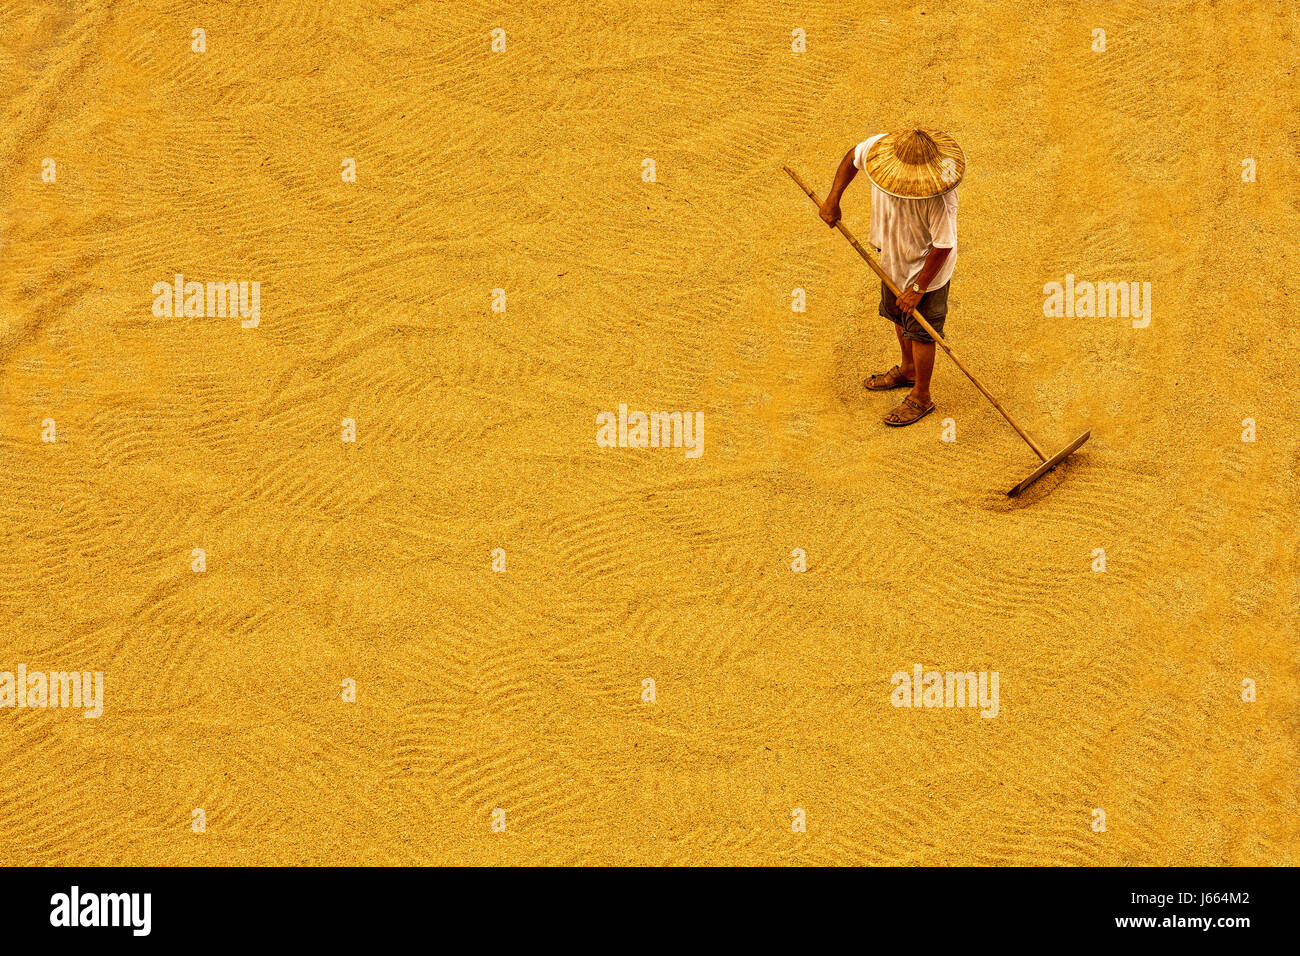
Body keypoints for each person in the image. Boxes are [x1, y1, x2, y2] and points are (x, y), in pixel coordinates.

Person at [818, 128, 964, 426]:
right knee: (899, 316)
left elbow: (943, 246)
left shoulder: (940, 197)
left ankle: (921, 397)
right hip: (892, 257)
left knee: (922, 333)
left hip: (926, 270)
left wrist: (919, 289)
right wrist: (834, 197)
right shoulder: (879, 148)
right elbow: (852, 156)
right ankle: (908, 370)